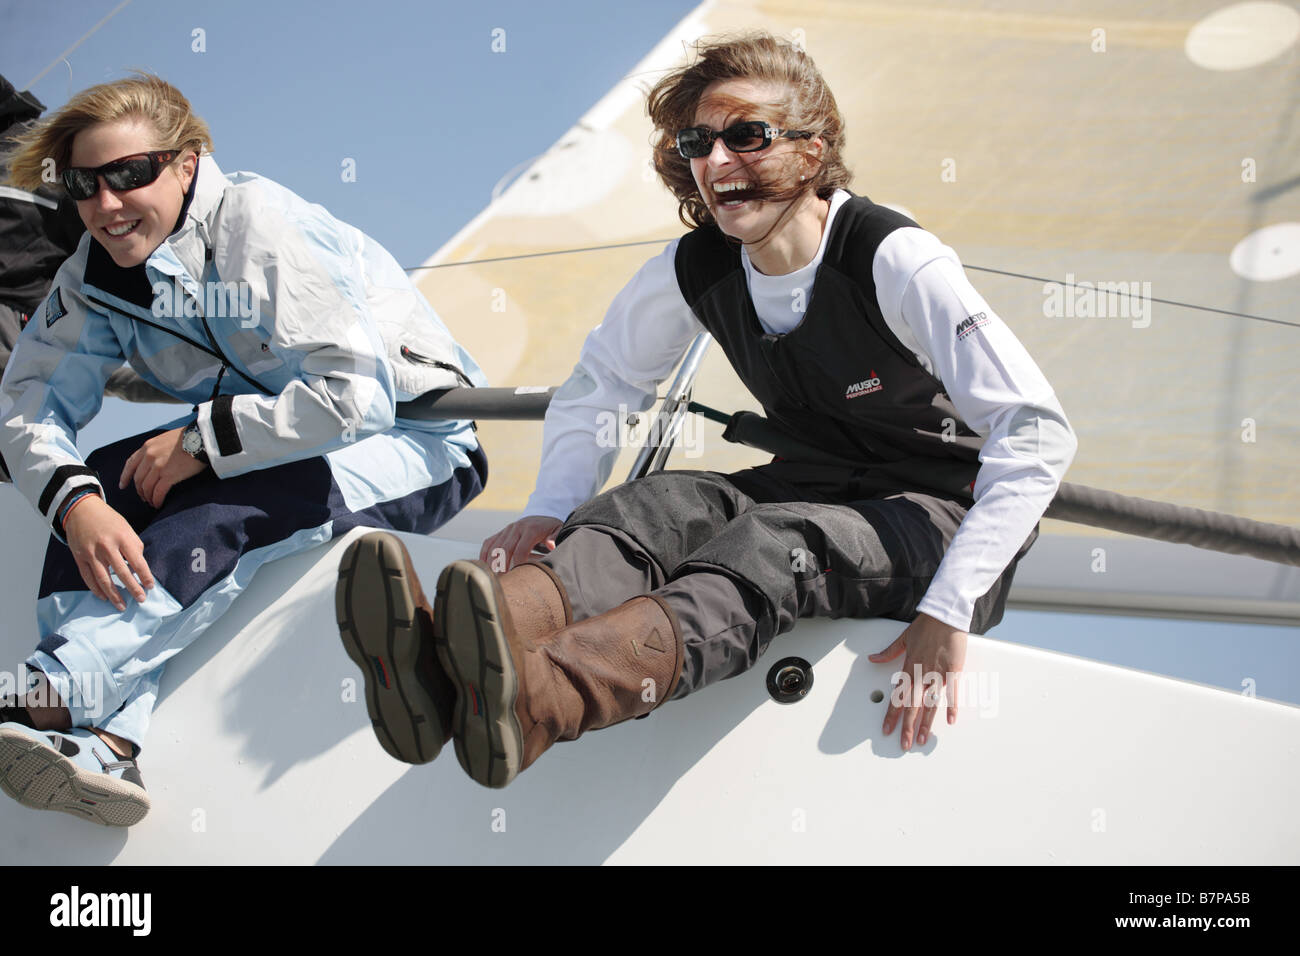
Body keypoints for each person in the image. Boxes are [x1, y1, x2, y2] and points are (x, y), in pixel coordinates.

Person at [336, 33, 1076, 790]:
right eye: (699, 141)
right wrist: (552, 506)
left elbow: (1037, 435)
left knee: (775, 540)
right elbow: (603, 386)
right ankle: (437, 659)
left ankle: (539, 703)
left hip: (940, 516)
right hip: (814, 480)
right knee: (660, 502)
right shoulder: (697, 269)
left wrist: (949, 612)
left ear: (813, 154)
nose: (717, 162)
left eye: (746, 136)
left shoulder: (890, 257)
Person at [0, 74, 487, 826]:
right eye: (82, 186)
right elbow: (28, 406)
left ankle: (51, 691)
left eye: (131, 175)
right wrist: (79, 505)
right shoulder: (94, 280)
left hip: (414, 440)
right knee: (98, 487)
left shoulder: (254, 222)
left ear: (188, 162)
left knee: (219, 513)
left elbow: (354, 394)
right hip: (269, 445)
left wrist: (199, 441)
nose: (106, 204)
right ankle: (104, 743)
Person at [0, 75, 177, 483]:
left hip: (41, 331)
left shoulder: (38, 160)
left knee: (159, 365)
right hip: (45, 342)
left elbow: (117, 239)